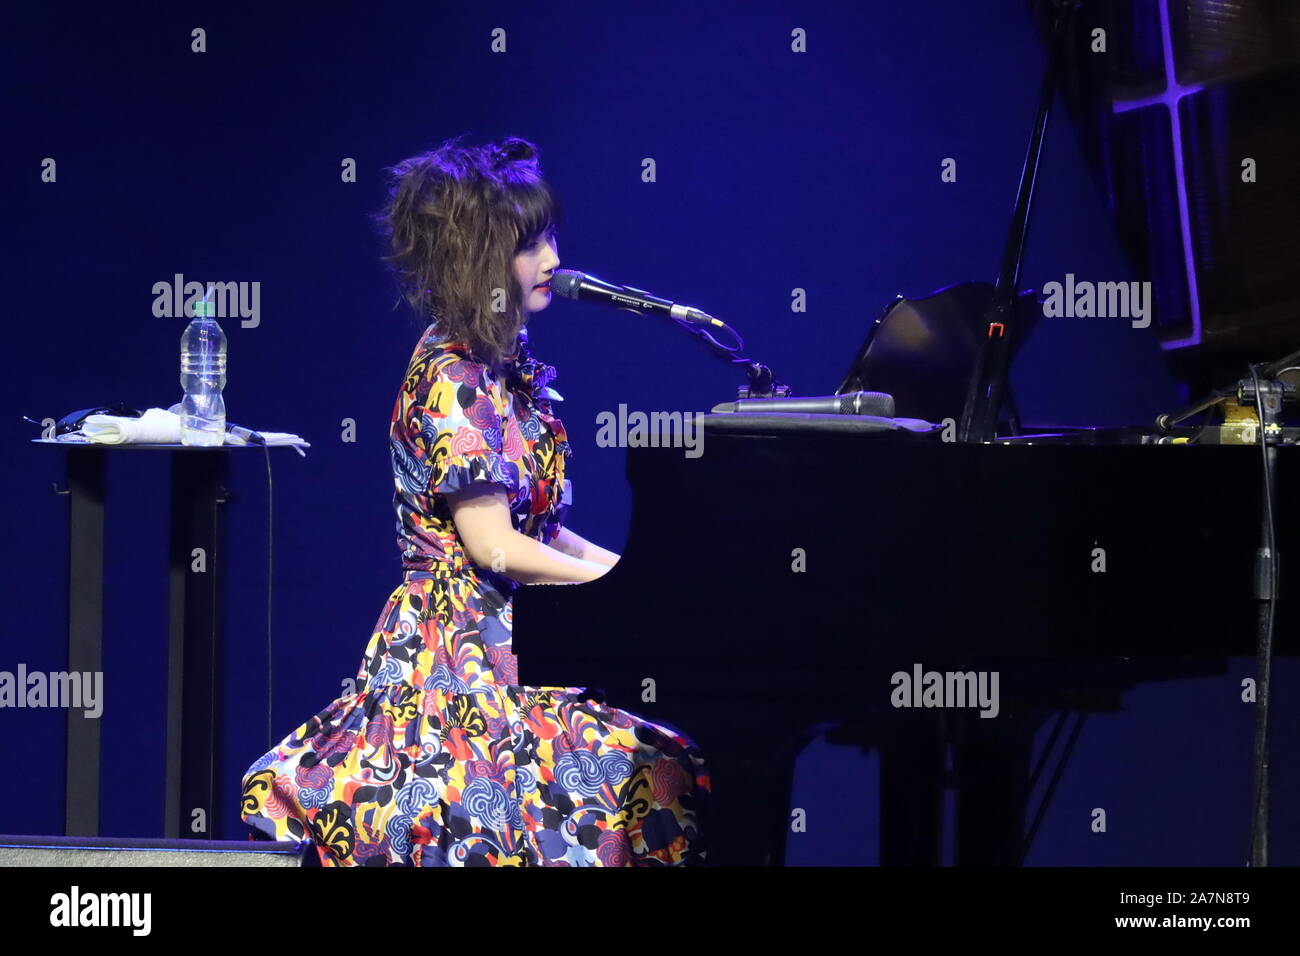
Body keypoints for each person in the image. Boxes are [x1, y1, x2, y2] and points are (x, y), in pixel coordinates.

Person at [238, 135, 710, 866]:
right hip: (460, 660)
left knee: (665, 767)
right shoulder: (455, 376)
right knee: (626, 780)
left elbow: (542, 532)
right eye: (530, 245)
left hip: (523, 638)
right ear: (481, 263)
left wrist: (638, 576)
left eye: (550, 236)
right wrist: (625, 590)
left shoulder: (501, 372)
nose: (553, 259)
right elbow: (492, 546)